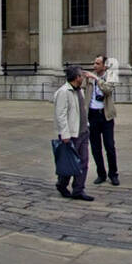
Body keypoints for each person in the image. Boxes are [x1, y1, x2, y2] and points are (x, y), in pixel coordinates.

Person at [52, 68, 92, 200]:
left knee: (83, 162)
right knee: (69, 163)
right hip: (71, 134)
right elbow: (60, 115)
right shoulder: (63, 92)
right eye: (82, 76)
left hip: (83, 132)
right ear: (77, 77)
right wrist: (65, 134)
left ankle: (78, 190)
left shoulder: (79, 90)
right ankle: (62, 184)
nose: (84, 78)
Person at [83, 56, 122, 187]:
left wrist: (96, 79)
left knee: (109, 146)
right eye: (94, 63)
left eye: (98, 63)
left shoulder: (110, 76)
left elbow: (107, 90)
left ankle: (113, 174)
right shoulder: (89, 77)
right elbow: (83, 90)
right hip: (92, 115)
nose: (95, 65)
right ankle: (101, 173)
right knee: (95, 147)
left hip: (106, 115)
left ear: (104, 66)